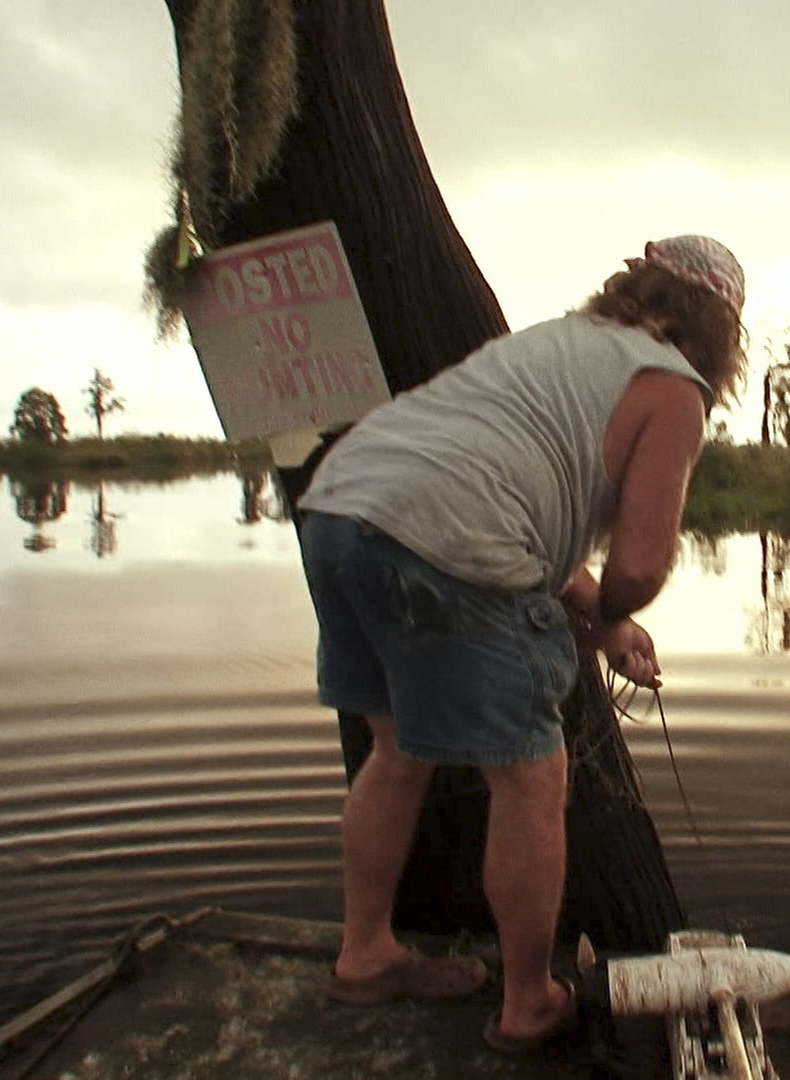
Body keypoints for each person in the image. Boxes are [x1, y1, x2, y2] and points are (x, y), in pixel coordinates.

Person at [295, 234, 746, 1053]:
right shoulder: (673, 389)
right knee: (532, 776)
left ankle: (363, 956)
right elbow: (639, 567)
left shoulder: (558, 341)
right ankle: (528, 1002)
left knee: (394, 752)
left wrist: (601, 622)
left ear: (634, 286)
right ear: (719, 333)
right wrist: (615, 609)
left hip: (338, 512)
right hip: (445, 537)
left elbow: (504, 505)